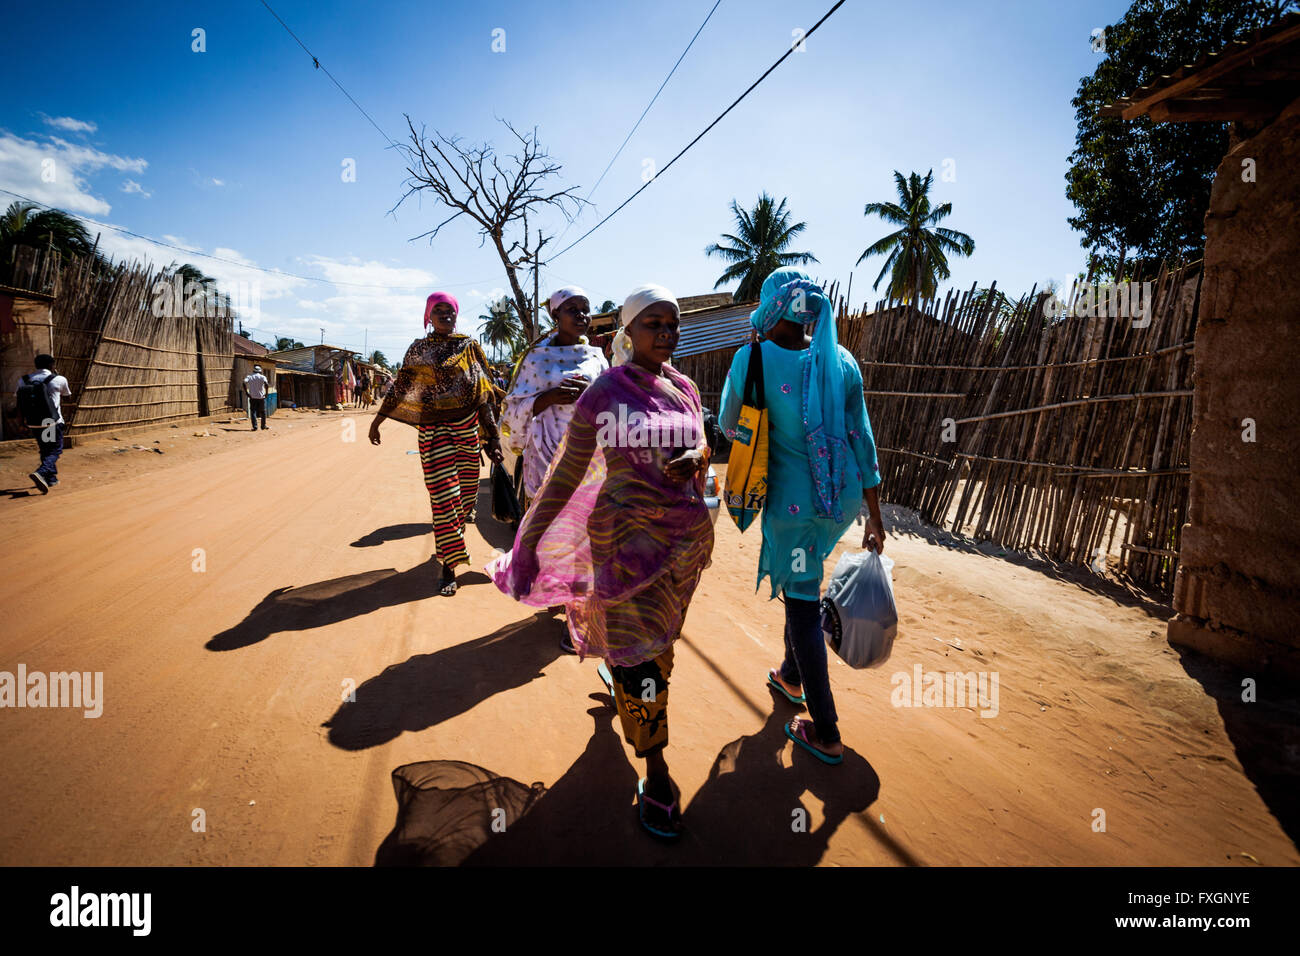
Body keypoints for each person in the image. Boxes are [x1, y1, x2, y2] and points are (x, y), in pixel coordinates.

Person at [489, 284, 713, 840]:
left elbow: (706, 443)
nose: (666, 333)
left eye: (672, 324)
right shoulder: (604, 392)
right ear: (628, 332)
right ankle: (656, 770)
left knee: (658, 652)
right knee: (640, 662)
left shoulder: (683, 388)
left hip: (681, 547)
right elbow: (565, 475)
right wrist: (527, 547)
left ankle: (630, 696)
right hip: (622, 546)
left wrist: (699, 455)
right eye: (653, 323)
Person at [718, 269, 886, 766]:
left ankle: (827, 730)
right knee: (803, 579)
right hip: (839, 501)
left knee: (801, 605)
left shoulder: (752, 359)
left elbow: (730, 424)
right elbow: (863, 440)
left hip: (791, 507)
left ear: (772, 309)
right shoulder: (842, 361)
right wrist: (874, 516)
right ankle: (791, 676)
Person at [370, 292, 504, 596]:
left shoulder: (469, 347)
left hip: (468, 431)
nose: (445, 315)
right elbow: (402, 386)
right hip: (433, 433)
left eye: (450, 311)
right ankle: (448, 566)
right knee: (445, 500)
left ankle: (450, 542)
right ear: (428, 316)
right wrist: (378, 419)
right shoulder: (418, 350)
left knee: (467, 498)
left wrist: (493, 436)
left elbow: (483, 393)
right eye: (439, 310)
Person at [17, 353, 72, 494]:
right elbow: (67, 396)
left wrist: (21, 422)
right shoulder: (59, 379)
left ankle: (50, 478)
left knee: (45, 449)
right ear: (51, 365)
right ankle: (41, 472)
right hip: (51, 421)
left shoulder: (23, 380)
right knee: (55, 450)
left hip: (34, 422)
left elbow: (20, 403)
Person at [244, 364, 269, 430]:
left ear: (253, 371)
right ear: (260, 371)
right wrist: (266, 393)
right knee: (263, 412)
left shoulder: (249, 377)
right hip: (261, 397)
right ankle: (263, 426)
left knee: (253, 411)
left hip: (252, 397)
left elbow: (244, 383)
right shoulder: (263, 377)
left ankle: (255, 427)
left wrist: (247, 392)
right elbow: (266, 384)